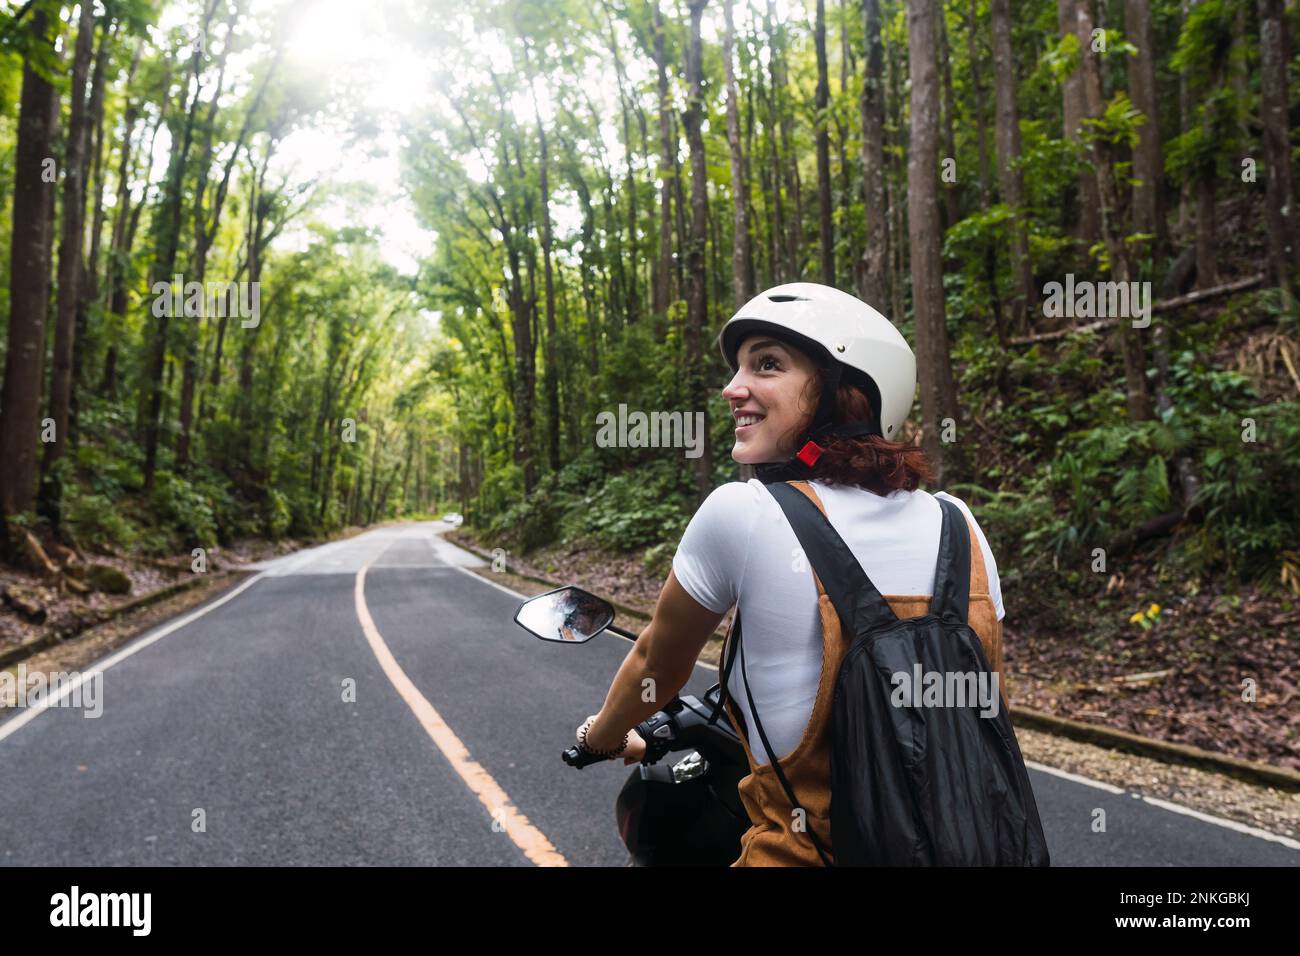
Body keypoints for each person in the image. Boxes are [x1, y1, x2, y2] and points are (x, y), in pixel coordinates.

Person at [572, 282, 1005, 865]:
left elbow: (658, 663)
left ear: (844, 395)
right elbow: (983, 703)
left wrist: (598, 738)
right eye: (739, 368)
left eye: (767, 365)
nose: (733, 388)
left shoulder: (742, 512)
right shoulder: (960, 524)